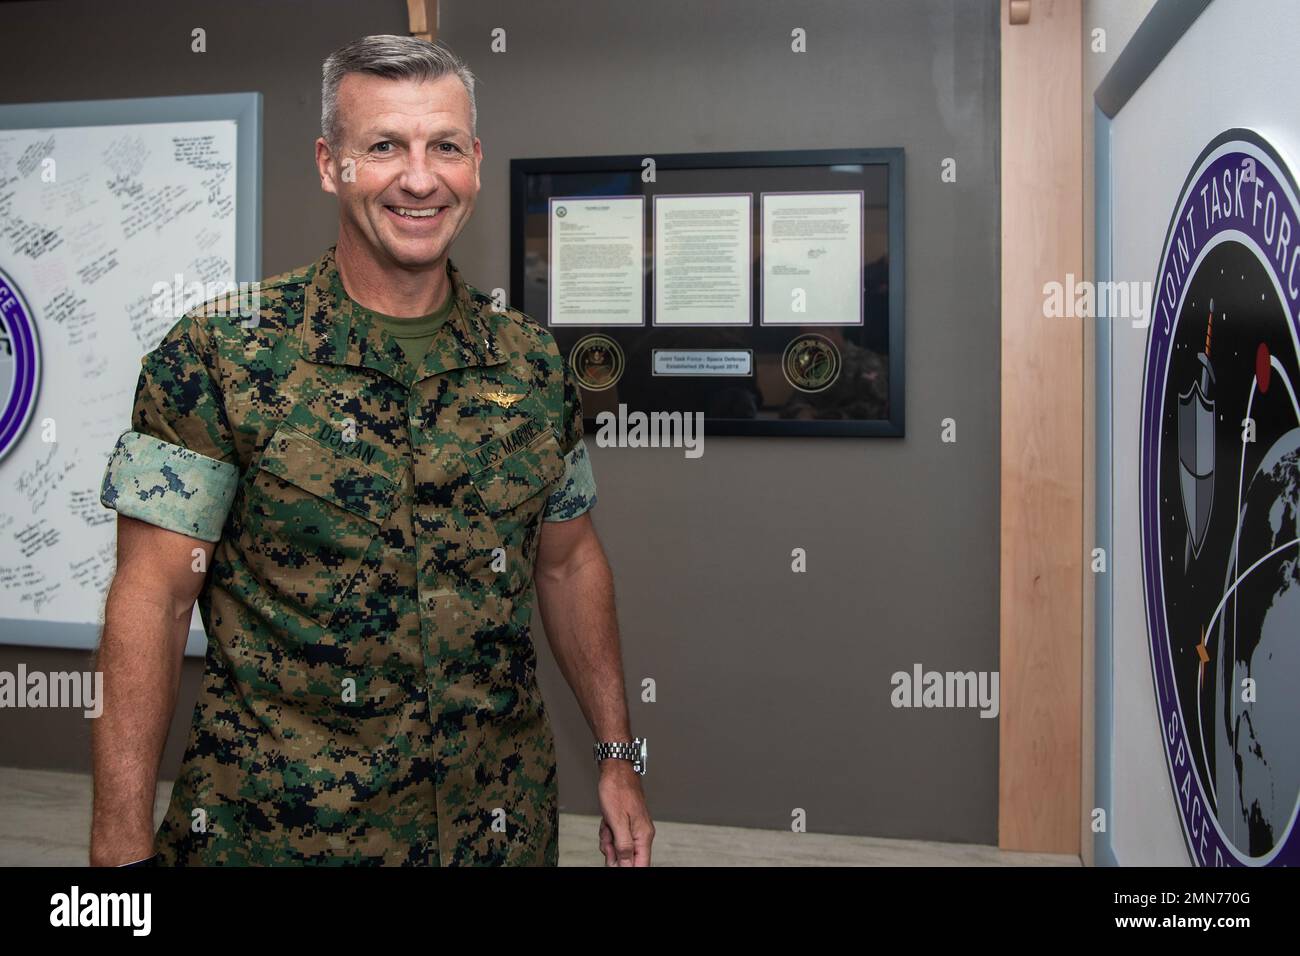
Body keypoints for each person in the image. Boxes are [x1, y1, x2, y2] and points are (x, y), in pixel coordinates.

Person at [90, 34, 653, 867]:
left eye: (445, 147)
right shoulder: (222, 356)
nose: (419, 178)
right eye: (383, 145)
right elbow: (153, 603)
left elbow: (569, 566)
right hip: (278, 839)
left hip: (496, 832)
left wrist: (618, 756)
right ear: (330, 164)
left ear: (475, 163)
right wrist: (117, 846)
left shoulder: (532, 366)